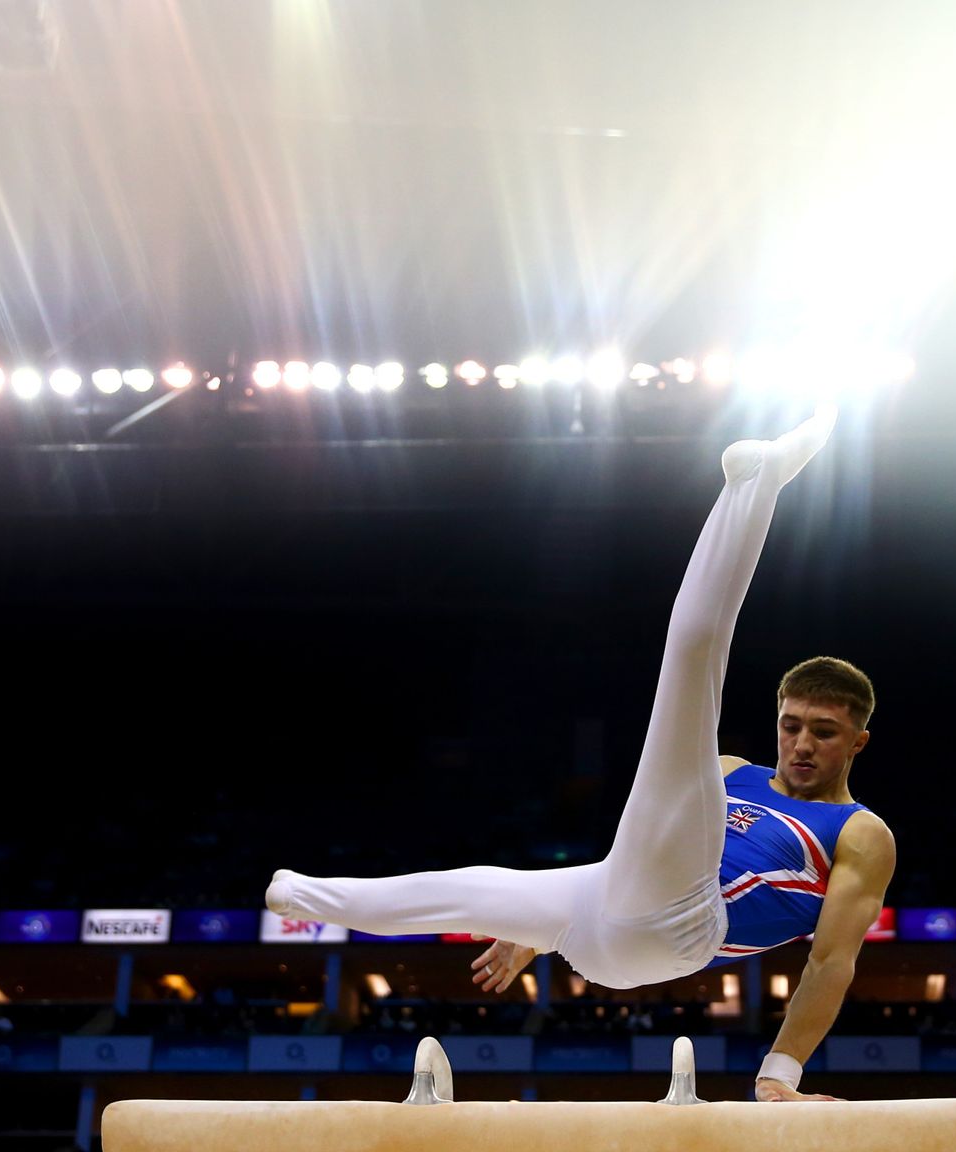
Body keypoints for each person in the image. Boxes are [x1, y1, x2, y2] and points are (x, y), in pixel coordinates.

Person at [265, 403, 894, 1101]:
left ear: (858, 742)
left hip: (683, 926)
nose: (801, 743)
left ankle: (754, 481)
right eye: (791, 723)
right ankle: (300, 893)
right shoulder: (729, 775)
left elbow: (832, 961)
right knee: (458, 890)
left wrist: (779, 1076)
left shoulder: (860, 835)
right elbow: (640, 857)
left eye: (824, 732)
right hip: (599, 906)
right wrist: (530, 933)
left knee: (689, 661)